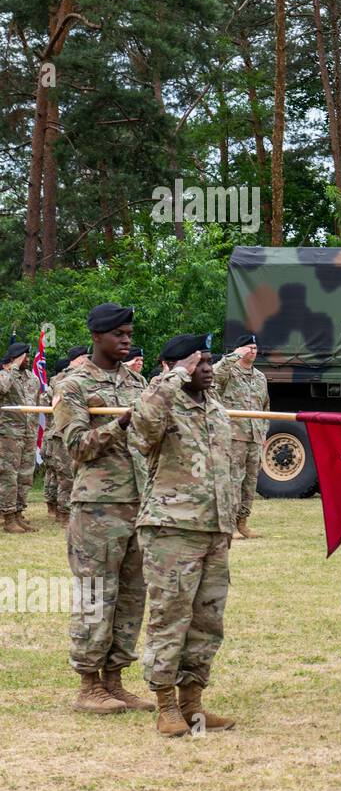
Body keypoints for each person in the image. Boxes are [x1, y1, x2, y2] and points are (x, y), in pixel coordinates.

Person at [133, 333, 237, 736]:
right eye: (201, 363)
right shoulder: (161, 401)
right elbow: (142, 427)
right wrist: (174, 376)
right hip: (172, 528)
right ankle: (165, 705)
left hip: (213, 528)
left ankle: (193, 703)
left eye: (210, 362)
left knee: (207, 621)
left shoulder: (213, 406)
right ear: (180, 367)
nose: (209, 369)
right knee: (169, 618)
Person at [53, 303, 152, 714]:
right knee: (96, 594)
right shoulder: (73, 386)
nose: (127, 340)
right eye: (119, 335)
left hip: (139, 504)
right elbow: (76, 446)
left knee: (132, 595)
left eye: (129, 334)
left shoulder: (138, 382)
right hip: (97, 507)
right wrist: (120, 424)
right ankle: (89, 685)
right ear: (97, 336)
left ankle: (115, 679)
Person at [213, 332, 269, 539]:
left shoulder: (260, 377)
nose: (253, 352)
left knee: (250, 482)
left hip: (254, 436)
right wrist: (233, 356)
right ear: (240, 350)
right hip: (234, 436)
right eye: (249, 348)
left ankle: (242, 522)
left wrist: (263, 433)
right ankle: (228, 523)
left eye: (255, 349)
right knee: (233, 480)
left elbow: (265, 407)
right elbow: (214, 375)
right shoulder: (229, 371)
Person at [42, 349, 88, 526]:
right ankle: (64, 513)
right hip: (62, 433)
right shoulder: (62, 378)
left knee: (76, 473)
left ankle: (72, 511)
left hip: (78, 430)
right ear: (80, 359)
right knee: (66, 475)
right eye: (86, 357)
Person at [0, 341, 40, 533]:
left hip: (29, 434)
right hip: (9, 434)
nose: (28, 359)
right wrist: (13, 367)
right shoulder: (5, 375)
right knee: (9, 475)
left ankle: (18, 513)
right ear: (16, 358)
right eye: (25, 356)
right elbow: (2, 389)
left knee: (25, 475)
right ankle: (7, 517)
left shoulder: (32, 379)